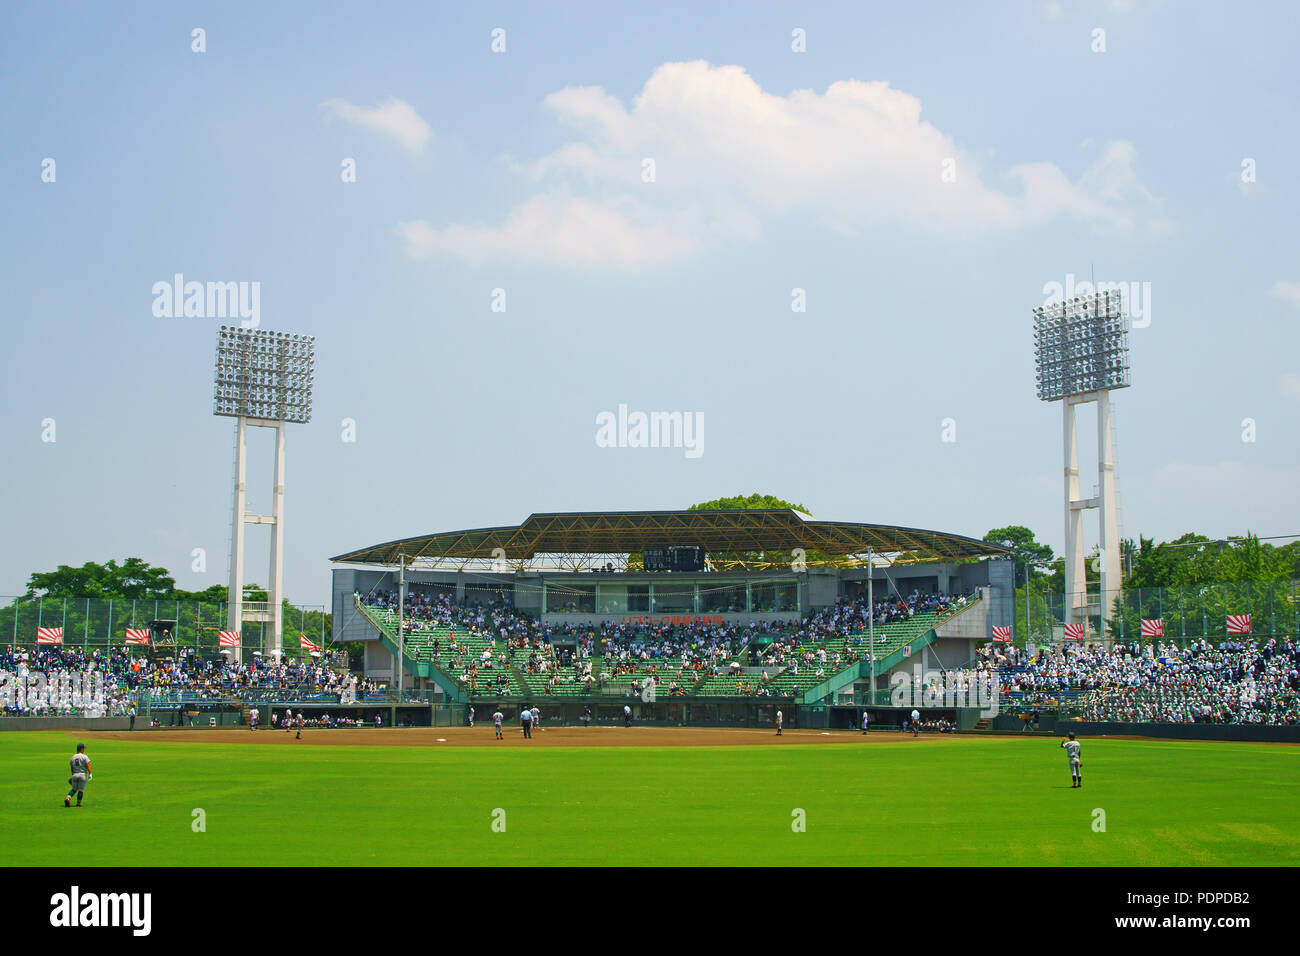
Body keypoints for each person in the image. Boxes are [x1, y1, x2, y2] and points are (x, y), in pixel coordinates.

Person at [65, 743, 91, 808]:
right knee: (81, 790)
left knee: (74, 789)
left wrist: (73, 776)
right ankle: (78, 803)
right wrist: (90, 773)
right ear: (81, 749)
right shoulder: (84, 756)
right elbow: (87, 766)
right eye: (83, 748)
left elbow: (72, 768)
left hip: (75, 774)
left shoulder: (73, 757)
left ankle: (68, 798)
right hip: (82, 775)